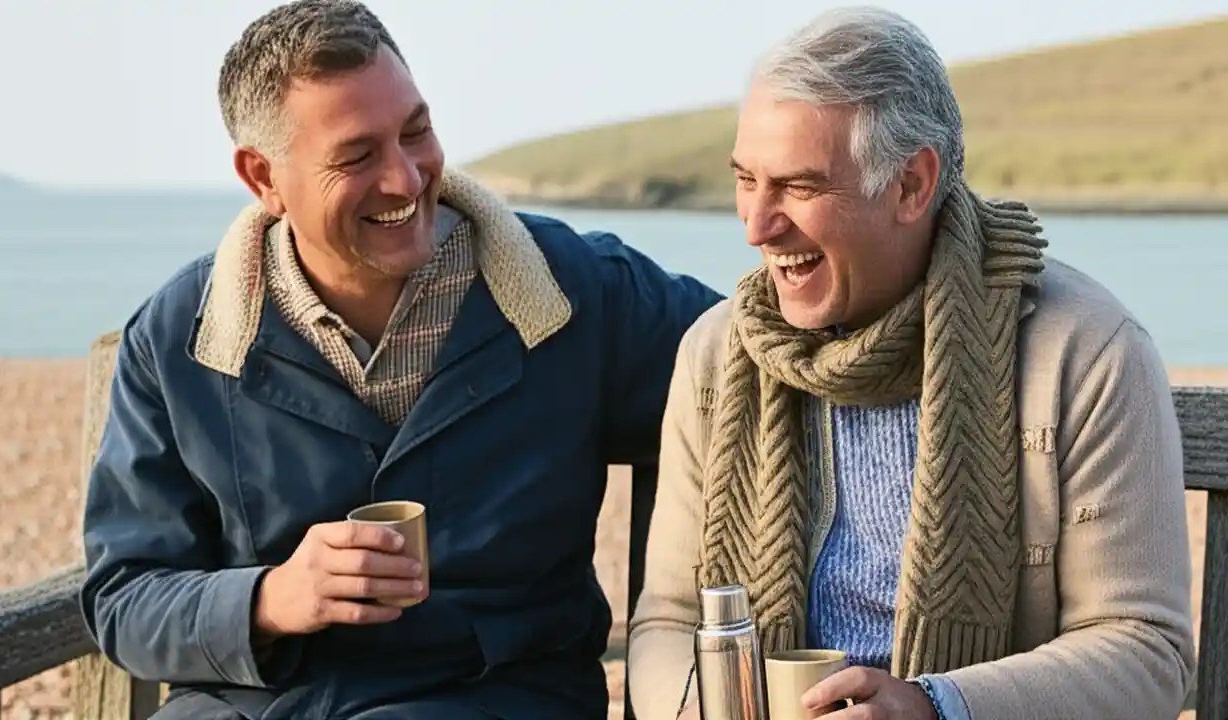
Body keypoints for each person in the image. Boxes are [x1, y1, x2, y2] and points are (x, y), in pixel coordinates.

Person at [77, 1, 721, 718]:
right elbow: (123, 596)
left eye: (416, 132)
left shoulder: (581, 290)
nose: (406, 179)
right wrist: (268, 599)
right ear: (263, 177)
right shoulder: (176, 339)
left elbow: (761, 356)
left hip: (495, 700)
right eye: (357, 156)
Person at [627, 7, 1194, 720]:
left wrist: (935, 707)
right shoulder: (717, 354)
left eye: (799, 187)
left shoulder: (1084, 350)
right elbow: (671, 623)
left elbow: (1146, 649)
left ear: (910, 186)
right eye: (747, 179)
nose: (756, 226)